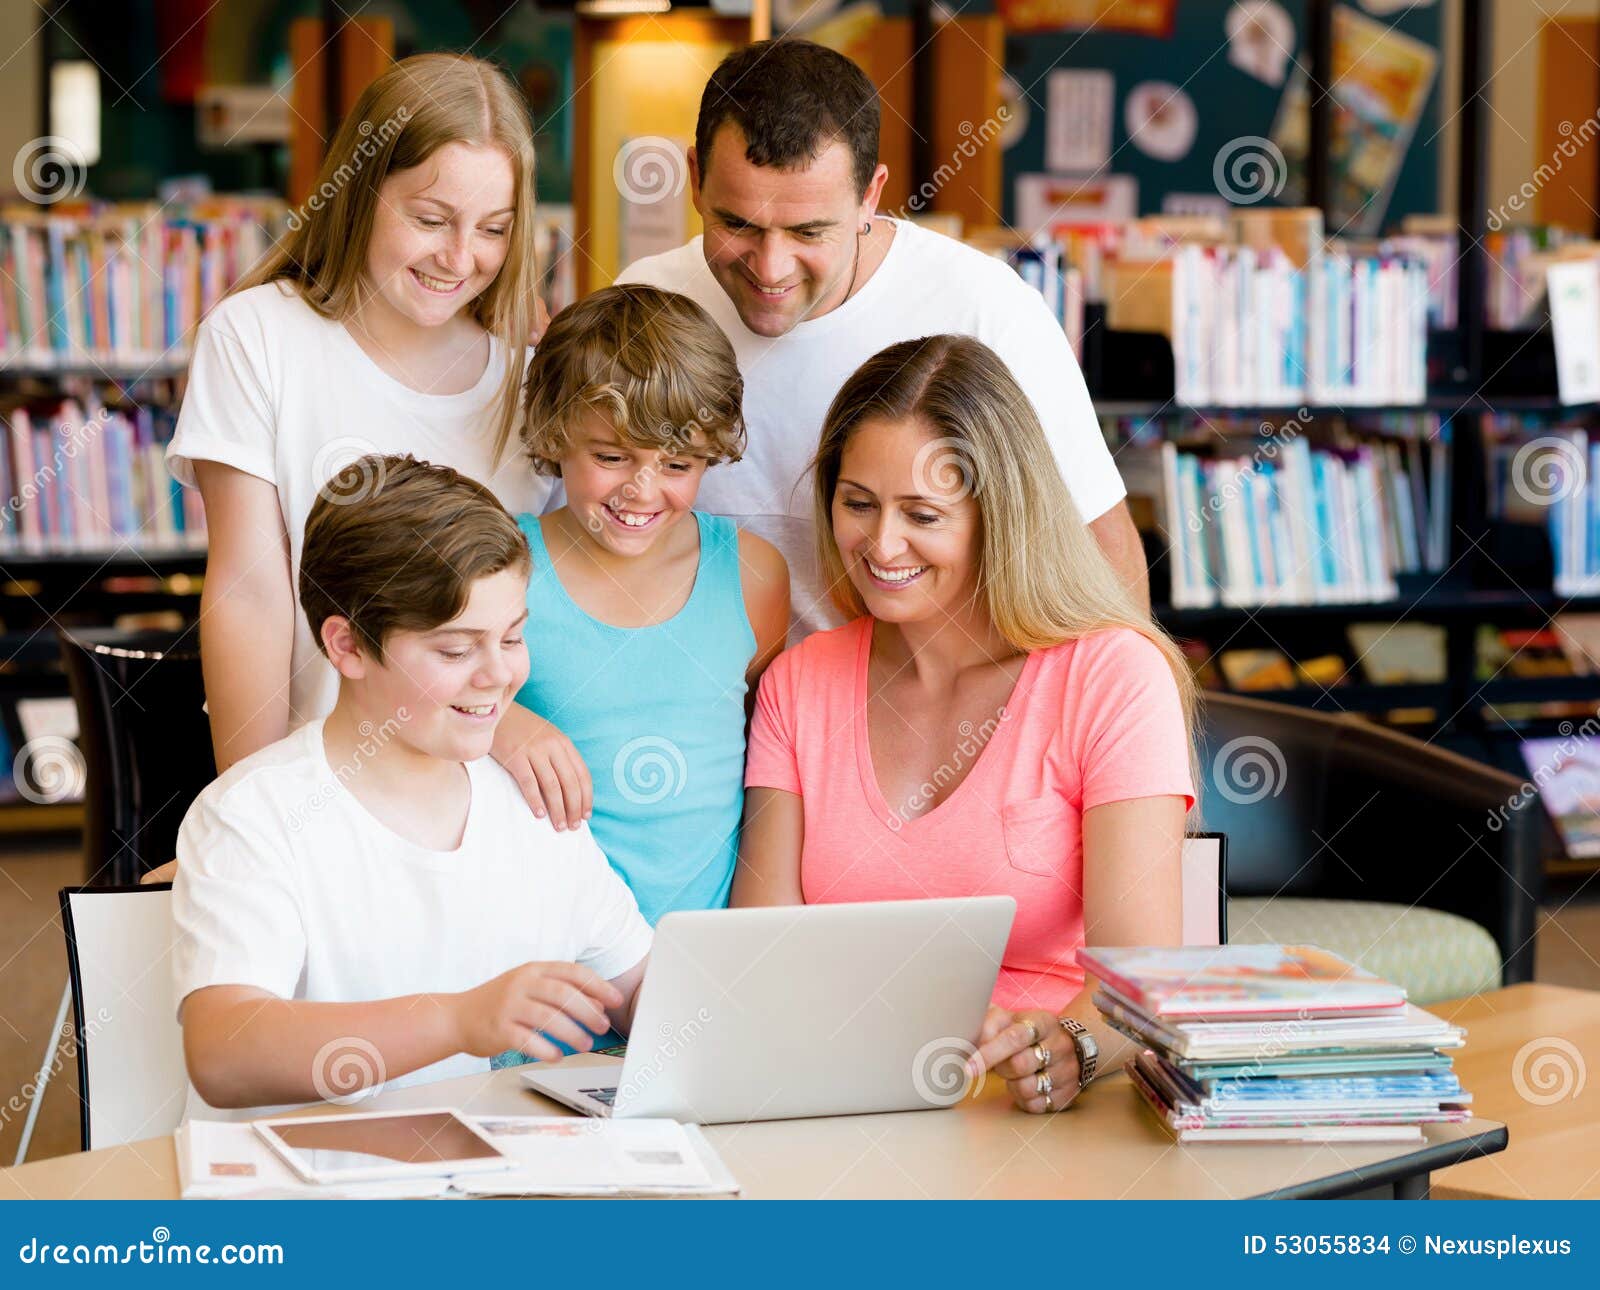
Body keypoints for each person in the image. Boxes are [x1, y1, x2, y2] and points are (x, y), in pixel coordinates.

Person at [732, 335, 1196, 1115]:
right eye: (858, 504)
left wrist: (1070, 1048)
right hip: (841, 1101)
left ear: (998, 516)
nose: (881, 546)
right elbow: (761, 951)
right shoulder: (797, 684)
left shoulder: (1112, 677)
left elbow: (1139, 974)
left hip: (1039, 1113)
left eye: (923, 514)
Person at [168, 52, 587, 829]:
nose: (460, 259)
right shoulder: (260, 337)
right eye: (430, 220)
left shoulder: (529, 377)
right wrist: (253, 815)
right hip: (322, 791)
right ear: (361, 195)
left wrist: (507, 720)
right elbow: (250, 595)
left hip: (491, 802)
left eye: (493, 230)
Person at [173, 456, 652, 1119]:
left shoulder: (525, 800)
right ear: (347, 646)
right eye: (456, 651)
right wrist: (457, 1020)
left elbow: (639, 988)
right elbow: (224, 1054)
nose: (499, 676)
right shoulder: (253, 814)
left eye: (512, 637)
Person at [617, 38, 1147, 636]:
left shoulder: (985, 308)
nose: (770, 267)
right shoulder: (647, 304)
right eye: (737, 224)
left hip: (932, 712)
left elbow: (1103, 560)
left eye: (809, 231)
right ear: (694, 177)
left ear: (871, 193)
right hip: (712, 713)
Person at [510, 284, 788, 924]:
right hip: (547, 954)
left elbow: (766, 752)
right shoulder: (502, 570)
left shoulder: (752, 575)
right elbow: (419, 708)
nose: (641, 491)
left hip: (703, 957)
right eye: (611, 457)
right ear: (556, 435)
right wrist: (501, 725)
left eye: (677, 464)